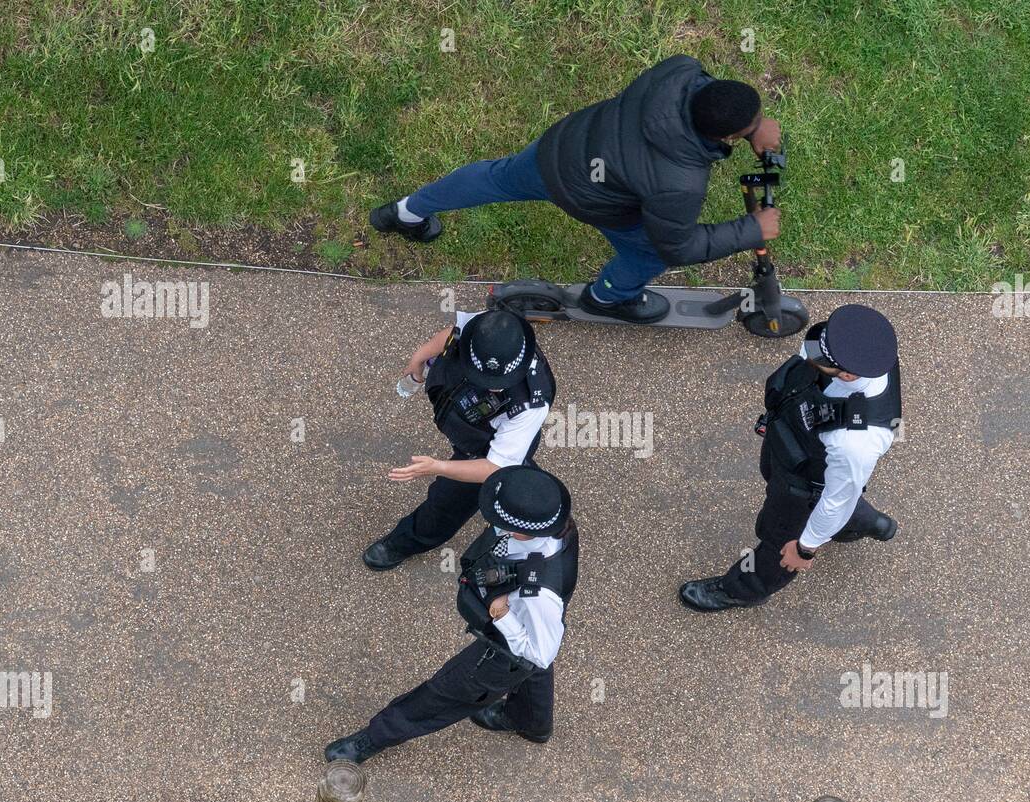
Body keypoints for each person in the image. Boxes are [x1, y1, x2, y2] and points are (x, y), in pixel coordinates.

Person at [368, 55, 781, 324]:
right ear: (727, 136)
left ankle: (405, 212)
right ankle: (606, 298)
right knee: (647, 252)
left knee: (494, 176)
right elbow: (678, 245)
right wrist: (752, 229)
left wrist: (753, 125)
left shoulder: (680, 71)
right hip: (588, 194)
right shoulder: (679, 182)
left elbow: (711, 98)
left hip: (561, 146)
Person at [327, 466, 578, 761]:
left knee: (446, 691)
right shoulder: (552, 523)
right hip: (528, 618)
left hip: (510, 644)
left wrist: (502, 616)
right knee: (533, 670)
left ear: (521, 529)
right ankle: (531, 722)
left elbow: (540, 654)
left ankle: (373, 738)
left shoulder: (540, 596)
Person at [679, 305, 903, 611]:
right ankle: (868, 523)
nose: (808, 353)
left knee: (778, 541)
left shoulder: (855, 441)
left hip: (806, 487)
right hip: (797, 451)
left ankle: (743, 590)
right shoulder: (858, 348)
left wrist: (805, 548)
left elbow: (836, 499)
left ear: (849, 374)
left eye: (819, 357)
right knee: (835, 493)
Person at [362, 307, 554, 571]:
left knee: (446, 503)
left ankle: (406, 542)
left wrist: (437, 467)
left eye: (498, 382)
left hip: (482, 451)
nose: (490, 386)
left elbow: (491, 467)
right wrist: (418, 361)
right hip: (466, 423)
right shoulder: (488, 328)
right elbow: (449, 337)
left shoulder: (531, 404)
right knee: (512, 465)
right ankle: (517, 473)